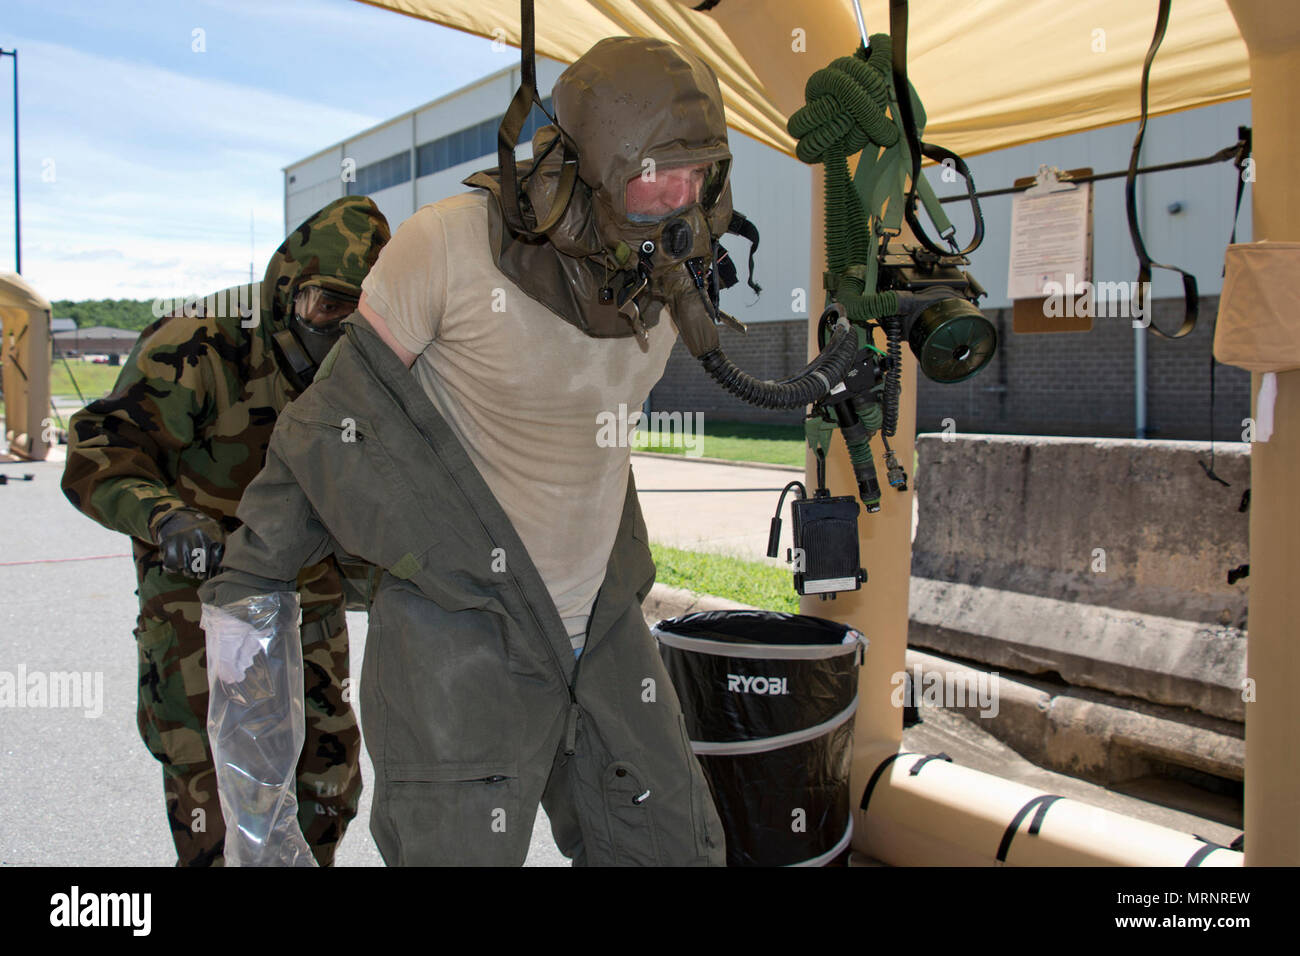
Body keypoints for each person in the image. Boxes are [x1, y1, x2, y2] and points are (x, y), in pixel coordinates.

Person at [198, 36, 733, 866]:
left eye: (698, 177)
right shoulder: (446, 248)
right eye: (654, 177)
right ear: (585, 167)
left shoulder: (665, 281)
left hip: (604, 621)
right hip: (462, 631)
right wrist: (249, 600)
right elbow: (328, 430)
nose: (678, 202)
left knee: (671, 845)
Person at [62, 196, 390, 866]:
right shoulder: (200, 343)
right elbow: (99, 454)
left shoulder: (369, 366)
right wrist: (164, 517)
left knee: (327, 787)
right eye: (322, 305)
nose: (333, 327)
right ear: (285, 288)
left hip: (306, 600)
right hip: (200, 610)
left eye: (354, 314)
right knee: (216, 800)